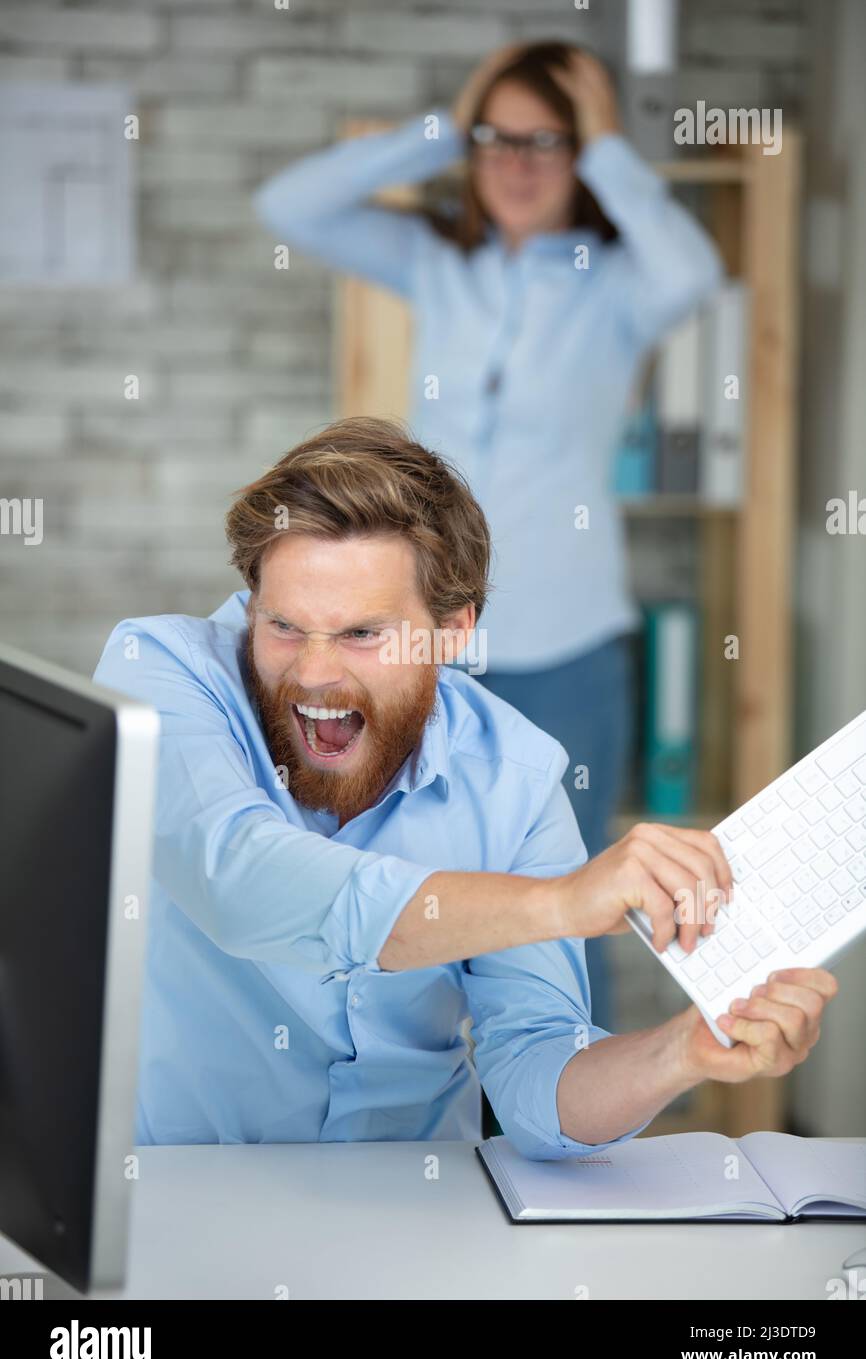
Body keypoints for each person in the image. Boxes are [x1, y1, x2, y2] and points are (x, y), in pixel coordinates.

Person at [93, 418, 836, 1155]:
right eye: (284, 626)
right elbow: (238, 878)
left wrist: (680, 1052)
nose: (314, 673)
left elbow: (535, 1076)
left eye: (362, 634)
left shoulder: (515, 778)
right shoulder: (161, 673)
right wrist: (559, 903)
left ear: (451, 634)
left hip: (415, 1214)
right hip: (176, 1198)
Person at [252, 41, 724, 1031]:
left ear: (581, 152)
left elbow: (695, 269)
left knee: (560, 904)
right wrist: (438, 127)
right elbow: (287, 206)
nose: (517, 163)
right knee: (398, 880)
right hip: (427, 637)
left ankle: (544, 1143)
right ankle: (405, 1134)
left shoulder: (618, 282)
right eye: (495, 139)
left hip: (567, 643)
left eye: (544, 141)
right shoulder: (438, 260)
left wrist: (602, 144)